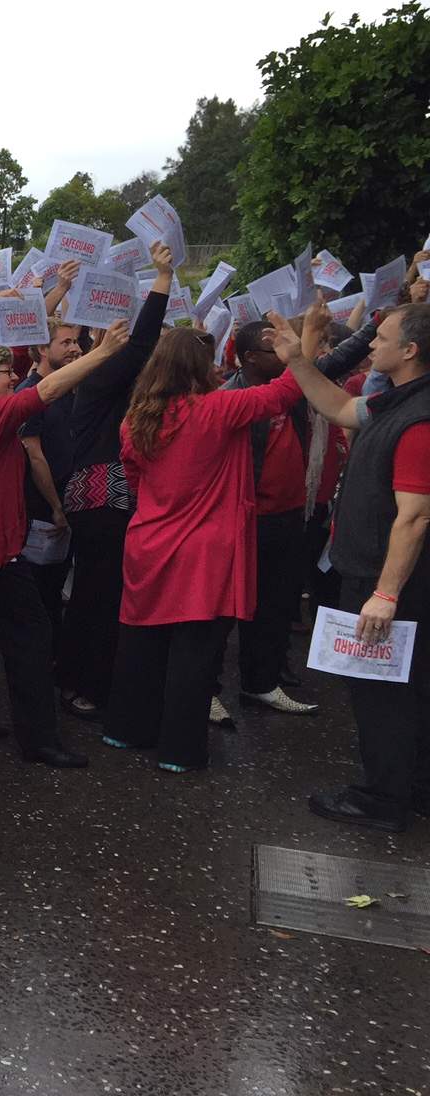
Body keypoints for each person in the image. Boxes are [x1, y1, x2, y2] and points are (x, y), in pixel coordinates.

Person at [102, 326, 306, 772]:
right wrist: (297, 349)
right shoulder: (220, 407)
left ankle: (127, 730)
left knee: (143, 642)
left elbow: (134, 480)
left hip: (148, 542)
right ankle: (180, 751)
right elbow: (286, 392)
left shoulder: (135, 419)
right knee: (194, 653)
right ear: (199, 367)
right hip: (204, 551)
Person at [268, 305, 430, 829]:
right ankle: (412, 788)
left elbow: (415, 516)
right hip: (380, 572)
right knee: (404, 688)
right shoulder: (399, 399)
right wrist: (297, 361)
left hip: (391, 580)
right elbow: (340, 406)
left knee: (382, 691)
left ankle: (383, 799)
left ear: (410, 351)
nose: (371, 345)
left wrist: (385, 594)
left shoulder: (420, 420)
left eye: (381, 338)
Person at [0, 321, 128, 768]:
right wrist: (102, 352)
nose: (14, 376)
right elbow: (46, 390)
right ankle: (39, 741)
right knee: (31, 642)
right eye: (4, 372)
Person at [217, 308, 377, 715]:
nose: (285, 355)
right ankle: (207, 691)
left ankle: (261, 684)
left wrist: (376, 323)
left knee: (274, 605)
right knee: (225, 610)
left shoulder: (292, 390)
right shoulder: (229, 398)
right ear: (250, 358)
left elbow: (333, 362)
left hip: (289, 517)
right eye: (274, 349)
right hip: (245, 518)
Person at [56, 251, 175, 716]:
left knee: (97, 592)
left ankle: (82, 678)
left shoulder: (110, 379)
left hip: (105, 498)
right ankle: (87, 684)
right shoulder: (100, 374)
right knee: (99, 595)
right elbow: (142, 345)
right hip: (102, 499)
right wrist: (162, 279)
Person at [17, 318, 82, 707]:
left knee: (54, 590)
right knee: (38, 595)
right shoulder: (31, 393)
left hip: (65, 506)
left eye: (77, 341)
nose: (76, 348)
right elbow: (34, 453)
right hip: (41, 510)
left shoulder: (69, 390)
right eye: (66, 342)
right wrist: (56, 506)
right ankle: (35, 680)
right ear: (42, 349)